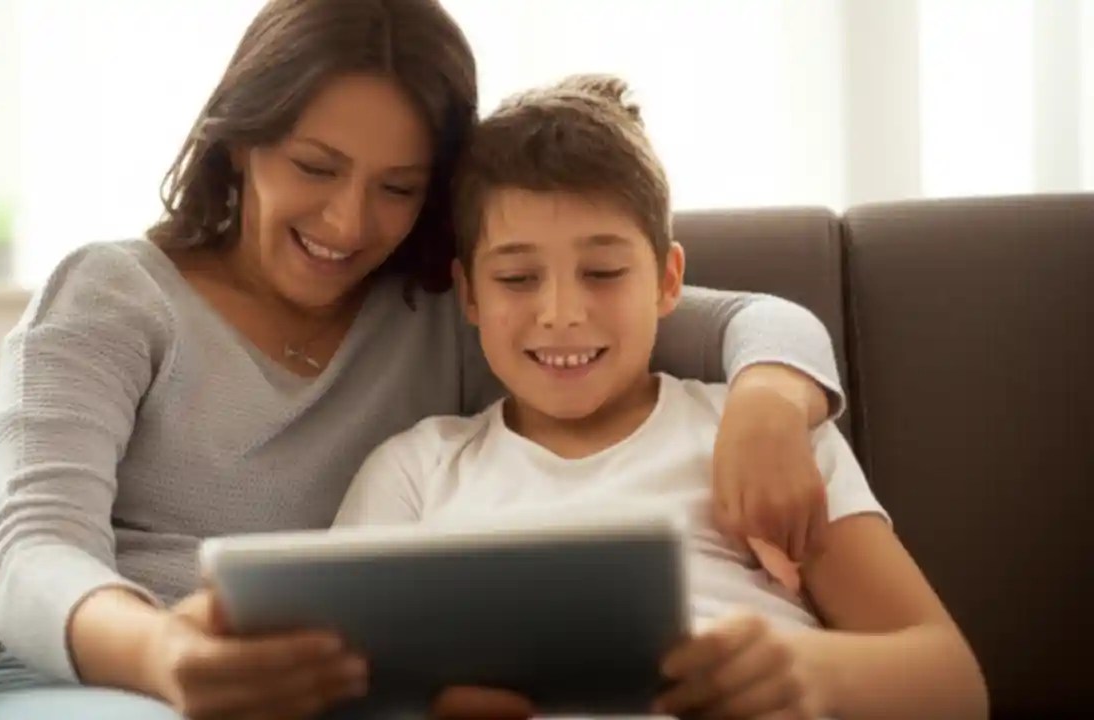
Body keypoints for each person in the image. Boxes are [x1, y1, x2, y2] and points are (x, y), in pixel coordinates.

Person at [0, 2, 855, 719]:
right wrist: (168, 653)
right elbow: (34, 547)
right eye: (316, 168)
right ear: (243, 141)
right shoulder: (113, 295)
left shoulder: (445, 315)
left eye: (397, 189)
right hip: (86, 683)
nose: (346, 224)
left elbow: (741, 317)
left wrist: (772, 402)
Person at [333, 74, 989, 720]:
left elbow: (953, 684)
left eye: (603, 272)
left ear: (667, 280)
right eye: (517, 277)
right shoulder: (414, 473)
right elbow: (338, 689)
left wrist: (806, 670)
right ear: (470, 294)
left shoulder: (759, 436)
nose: (560, 312)